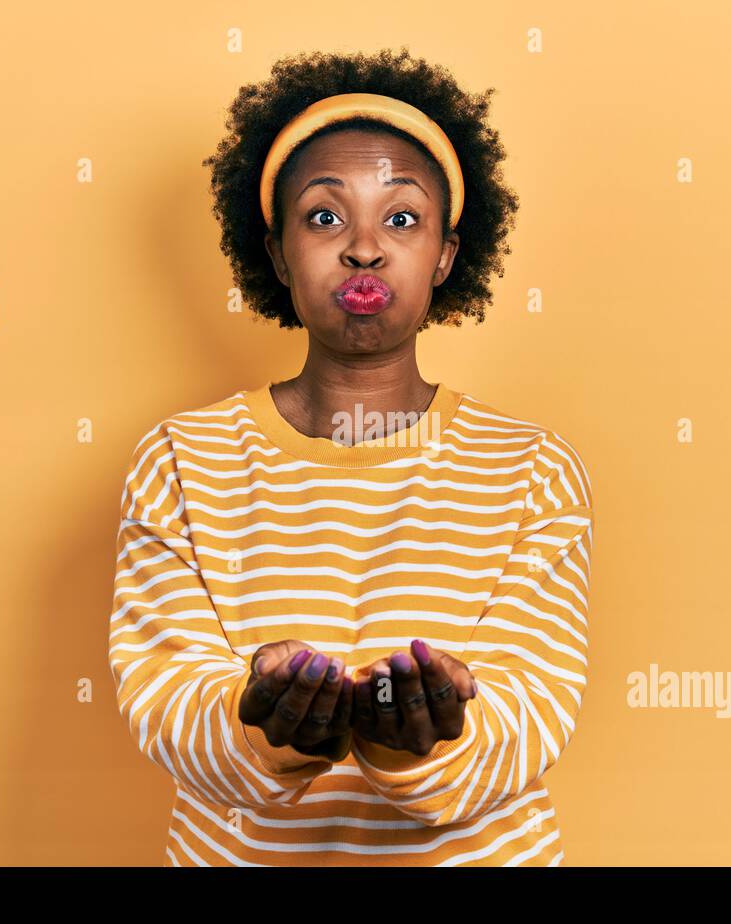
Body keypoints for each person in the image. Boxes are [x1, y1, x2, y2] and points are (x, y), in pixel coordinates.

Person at [108, 48, 593, 865]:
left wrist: (417, 747)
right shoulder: (180, 462)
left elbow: (533, 718)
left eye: (402, 218)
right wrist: (257, 723)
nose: (364, 249)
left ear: (444, 255)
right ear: (275, 254)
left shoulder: (534, 470)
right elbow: (164, 700)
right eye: (325, 217)